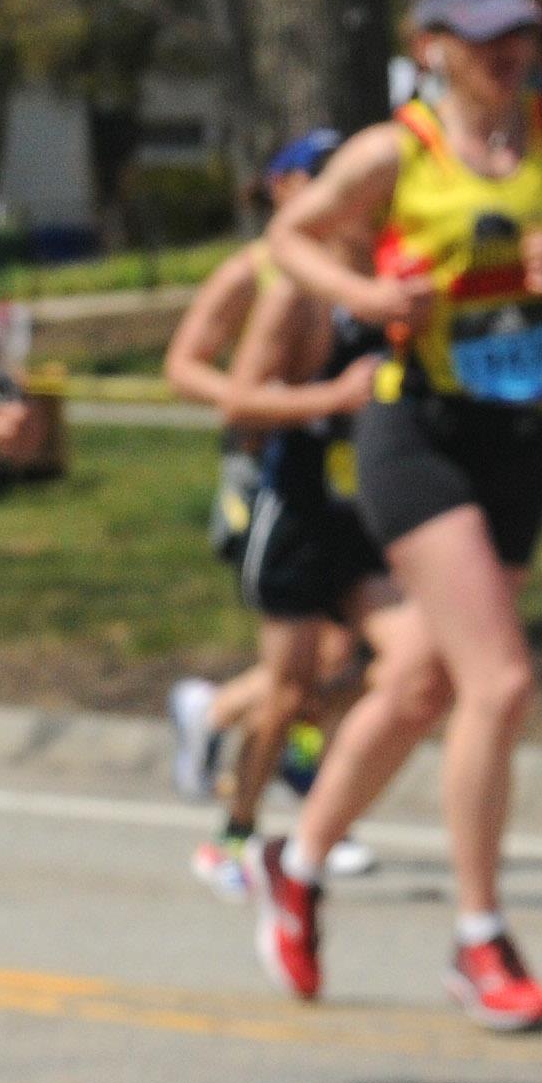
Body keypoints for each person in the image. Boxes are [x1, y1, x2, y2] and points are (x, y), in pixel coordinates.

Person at [247, 0, 542, 1026]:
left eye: (522, 34)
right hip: (417, 431)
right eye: (486, 36)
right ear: (437, 45)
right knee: (498, 682)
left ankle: (299, 863)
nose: (509, 53)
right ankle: (479, 938)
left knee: (423, 683)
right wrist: (368, 293)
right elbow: (289, 237)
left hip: (524, 430)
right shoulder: (393, 149)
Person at [161, 131, 392, 889]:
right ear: (292, 189)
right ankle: (237, 832)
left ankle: (268, 759)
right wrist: (327, 401)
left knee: (381, 661)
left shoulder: (384, 270)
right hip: (275, 483)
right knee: (297, 676)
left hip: (360, 495)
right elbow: (211, 381)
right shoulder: (273, 278)